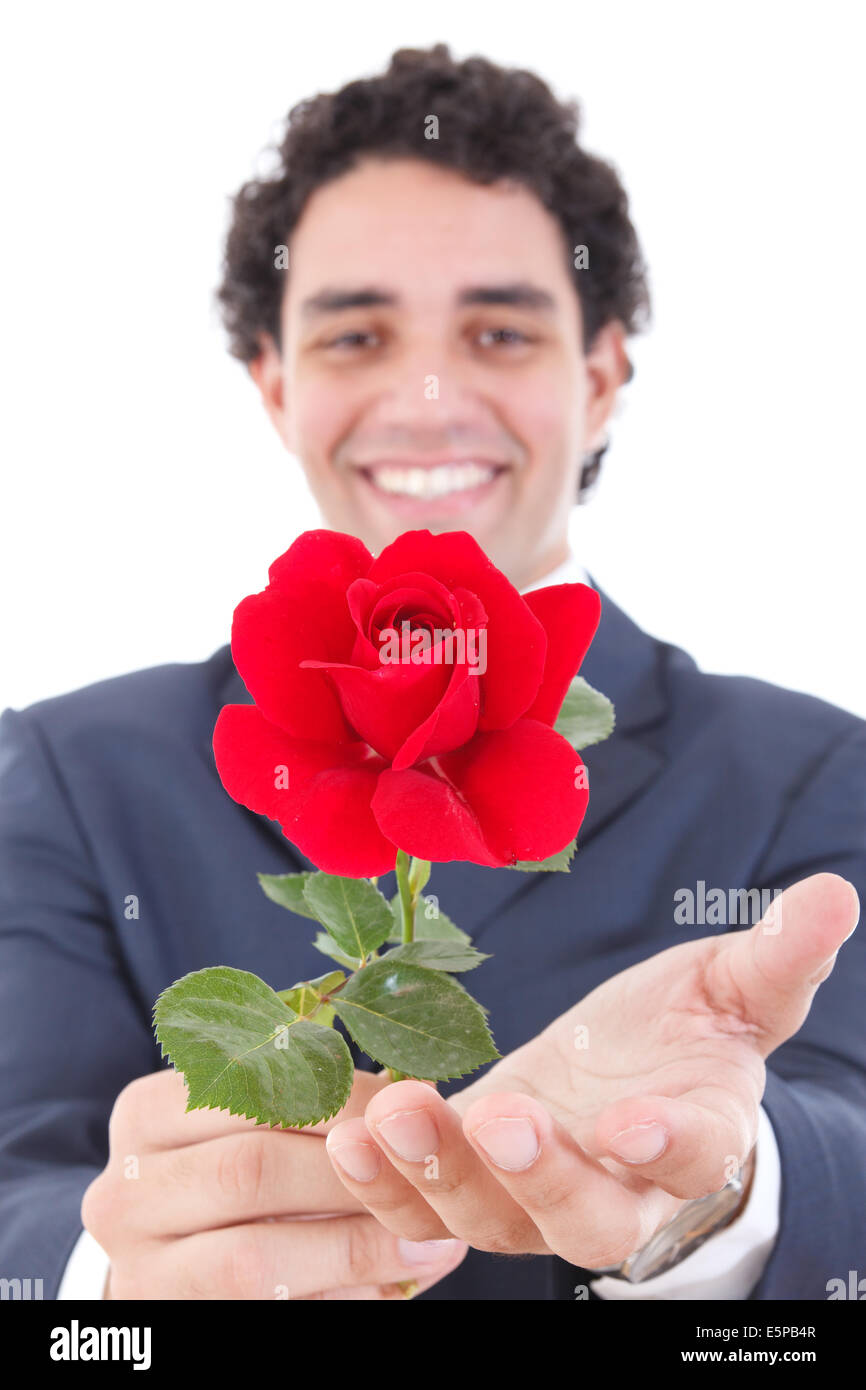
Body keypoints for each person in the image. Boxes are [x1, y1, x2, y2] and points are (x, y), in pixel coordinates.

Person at [0, 44, 863, 1303]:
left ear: (600, 375)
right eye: (356, 333)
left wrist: (724, 1192)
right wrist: (112, 1275)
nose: (427, 392)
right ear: (275, 383)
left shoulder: (813, 774)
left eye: (498, 329)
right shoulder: (70, 775)